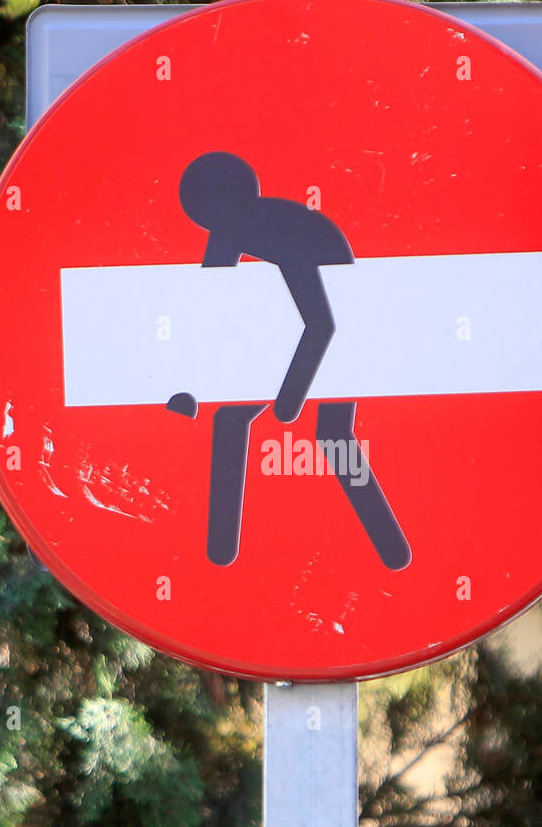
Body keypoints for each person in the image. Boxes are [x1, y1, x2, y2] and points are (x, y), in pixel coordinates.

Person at [171, 152, 410, 570]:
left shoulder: (287, 233)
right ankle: (218, 562)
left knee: (333, 433)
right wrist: (190, 386)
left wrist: (289, 397)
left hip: (339, 312)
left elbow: (322, 324)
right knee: (229, 420)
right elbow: (210, 306)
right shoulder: (229, 228)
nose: (212, 229)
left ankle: (394, 554)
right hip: (284, 319)